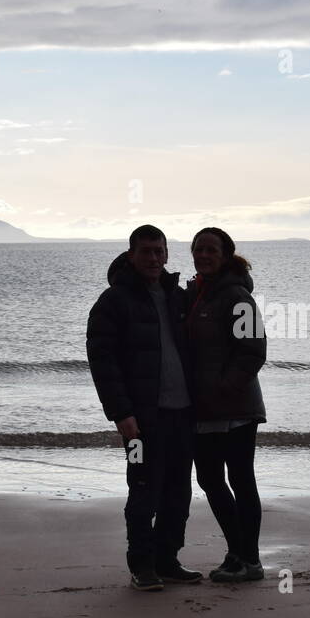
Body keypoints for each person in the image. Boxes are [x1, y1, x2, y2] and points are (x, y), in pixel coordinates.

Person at [86, 224, 202, 591]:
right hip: (141, 419)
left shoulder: (175, 296)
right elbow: (103, 363)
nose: (154, 258)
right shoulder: (113, 302)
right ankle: (142, 565)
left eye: (159, 251)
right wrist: (121, 414)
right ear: (131, 255)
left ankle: (168, 560)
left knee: (178, 491)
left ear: (167, 255)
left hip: (182, 414)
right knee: (143, 489)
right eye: (146, 251)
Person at [184, 227, 267, 582]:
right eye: (198, 249)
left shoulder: (237, 297)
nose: (203, 255)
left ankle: (250, 560)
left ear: (225, 254)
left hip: (236, 408)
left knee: (241, 479)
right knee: (209, 479)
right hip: (203, 409)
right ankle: (238, 552)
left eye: (211, 250)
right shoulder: (197, 293)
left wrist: (223, 390)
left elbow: (254, 352)